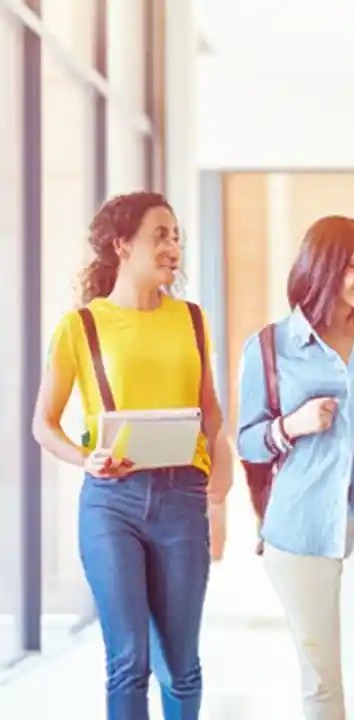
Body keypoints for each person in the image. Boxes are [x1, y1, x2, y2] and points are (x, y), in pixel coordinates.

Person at [31, 191, 224, 720]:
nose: (173, 247)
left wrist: (216, 492)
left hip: (182, 499)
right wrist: (83, 457)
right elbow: (42, 425)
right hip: (111, 503)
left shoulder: (192, 320)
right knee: (128, 660)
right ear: (122, 245)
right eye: (159, 235)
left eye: (177, 236)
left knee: (181, 665)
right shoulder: (82, 326)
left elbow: (212, 413)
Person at [235, 215, 354, 719]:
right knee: (320, 683)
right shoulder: (270, 347)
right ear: (322, 265)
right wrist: (292, 425)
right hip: (299, 529)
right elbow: (248, 440)